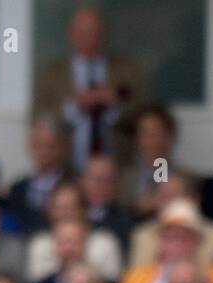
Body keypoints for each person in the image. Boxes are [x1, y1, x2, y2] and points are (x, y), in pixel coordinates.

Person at [32, 6, 143, 170]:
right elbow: (38, 118)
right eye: (83, 33)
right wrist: (73, 107)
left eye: (95, 33)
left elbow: (144, 116)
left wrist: (114, 107)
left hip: (117, 169)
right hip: (67, 169)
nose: (90, 39)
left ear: (105, 35)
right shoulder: (52, 74)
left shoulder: (127, 71)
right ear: (71, 35)